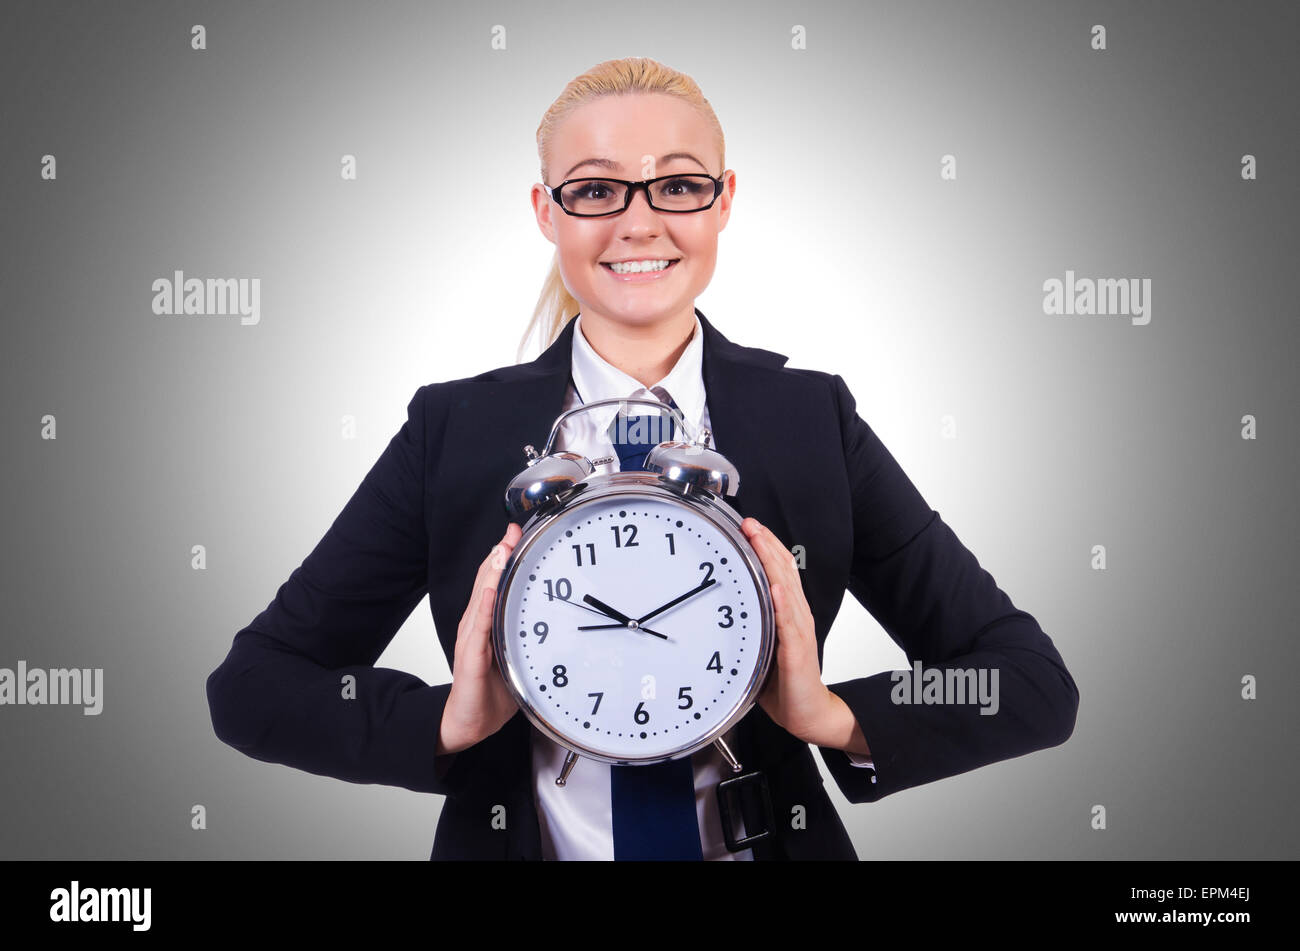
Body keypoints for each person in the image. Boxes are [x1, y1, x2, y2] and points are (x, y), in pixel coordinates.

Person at [206, 56, 1079, 861]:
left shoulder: (812, 418)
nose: (639, 220)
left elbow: (1030, 684)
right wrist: (447, 718)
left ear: (725, 199)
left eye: (678, 184)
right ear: (546, 210)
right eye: (595, 191)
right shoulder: (453, 430)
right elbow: (254, 686)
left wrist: (832, 714)